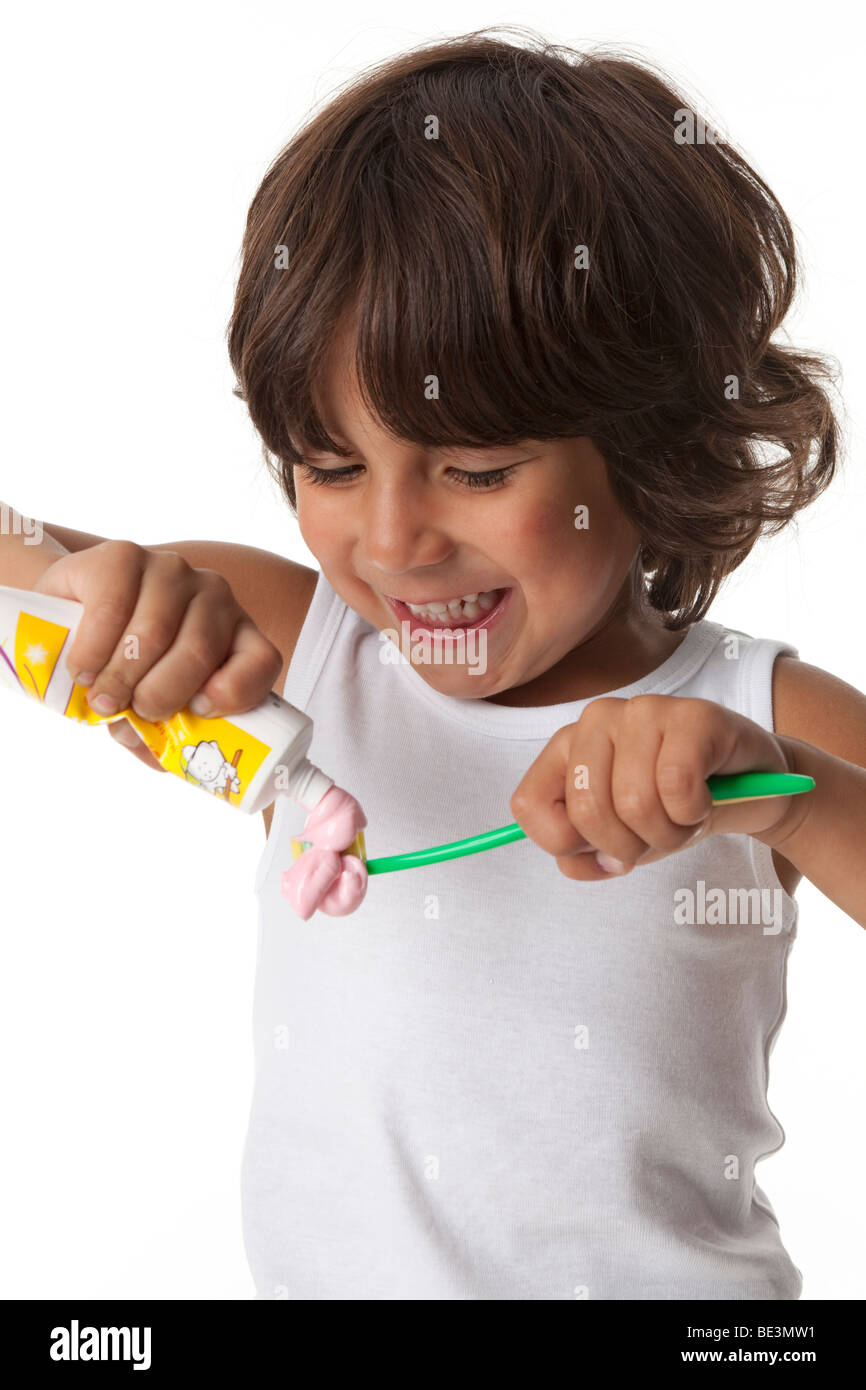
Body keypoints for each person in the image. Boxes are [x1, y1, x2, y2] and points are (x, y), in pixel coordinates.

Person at [7, 29, 866, 1299]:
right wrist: (106, 594)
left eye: (476, 469)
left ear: (652, 447)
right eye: (332, 465)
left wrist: (786, 788)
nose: (395, 540)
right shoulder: (296, 645)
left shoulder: (754, 707)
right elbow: (25, 572)